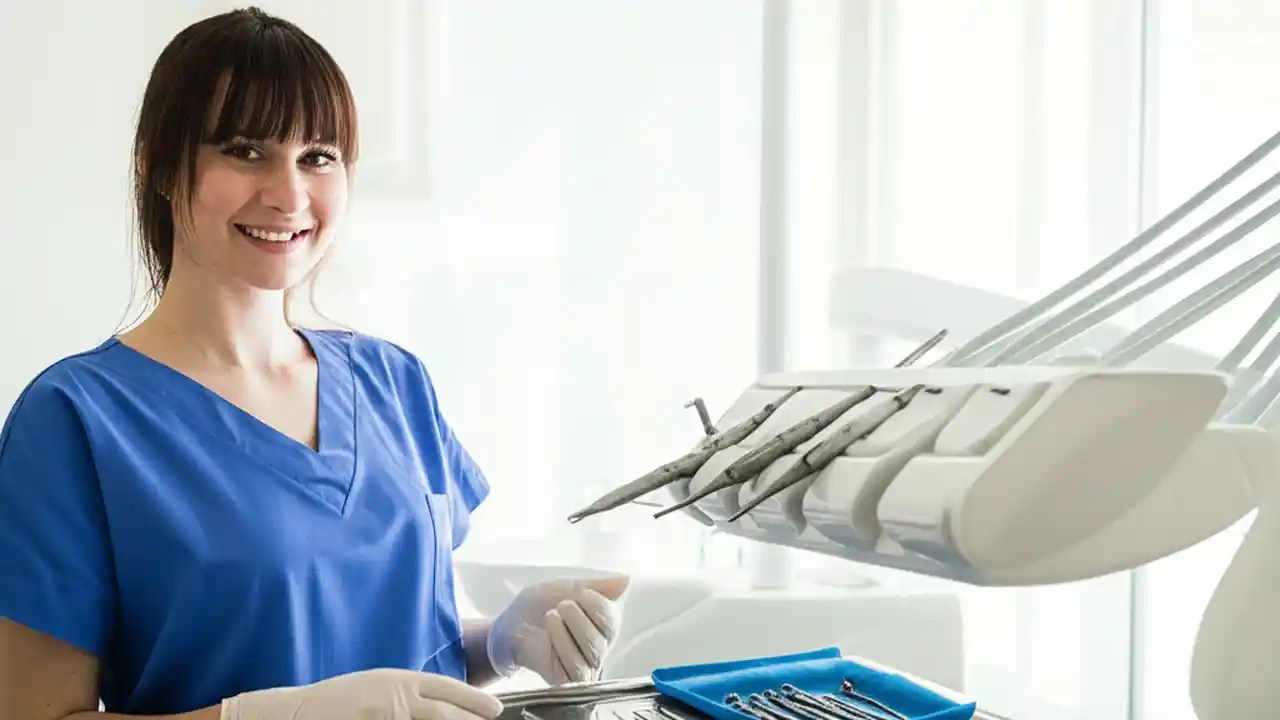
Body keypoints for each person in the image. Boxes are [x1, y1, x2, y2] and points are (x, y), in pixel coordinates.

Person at [0, 7, 628, 720]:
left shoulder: (394, 383)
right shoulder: (76, 421)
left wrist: (506, 645)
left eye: (318, 157)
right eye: (244, 150)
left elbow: (398, 661)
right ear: (158, 164)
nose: (289, 193)